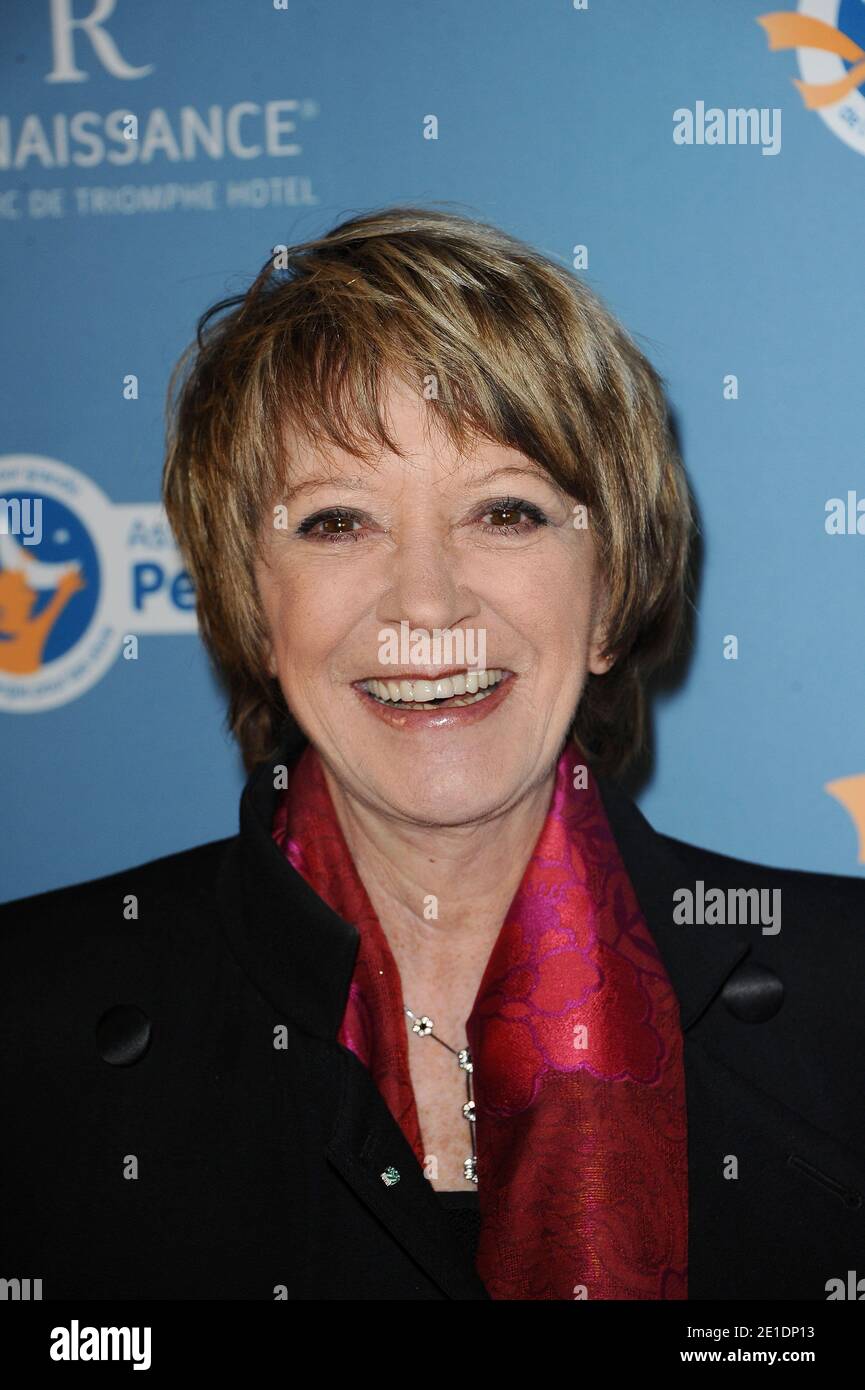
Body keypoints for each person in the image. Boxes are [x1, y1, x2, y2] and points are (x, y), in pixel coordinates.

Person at [2, 206, 864, 1301]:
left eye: (505, 513)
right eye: (336, 522)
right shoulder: (30, 1020)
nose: (424, 601)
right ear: (253, 603)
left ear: (606, 600)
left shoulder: (846, 1005)